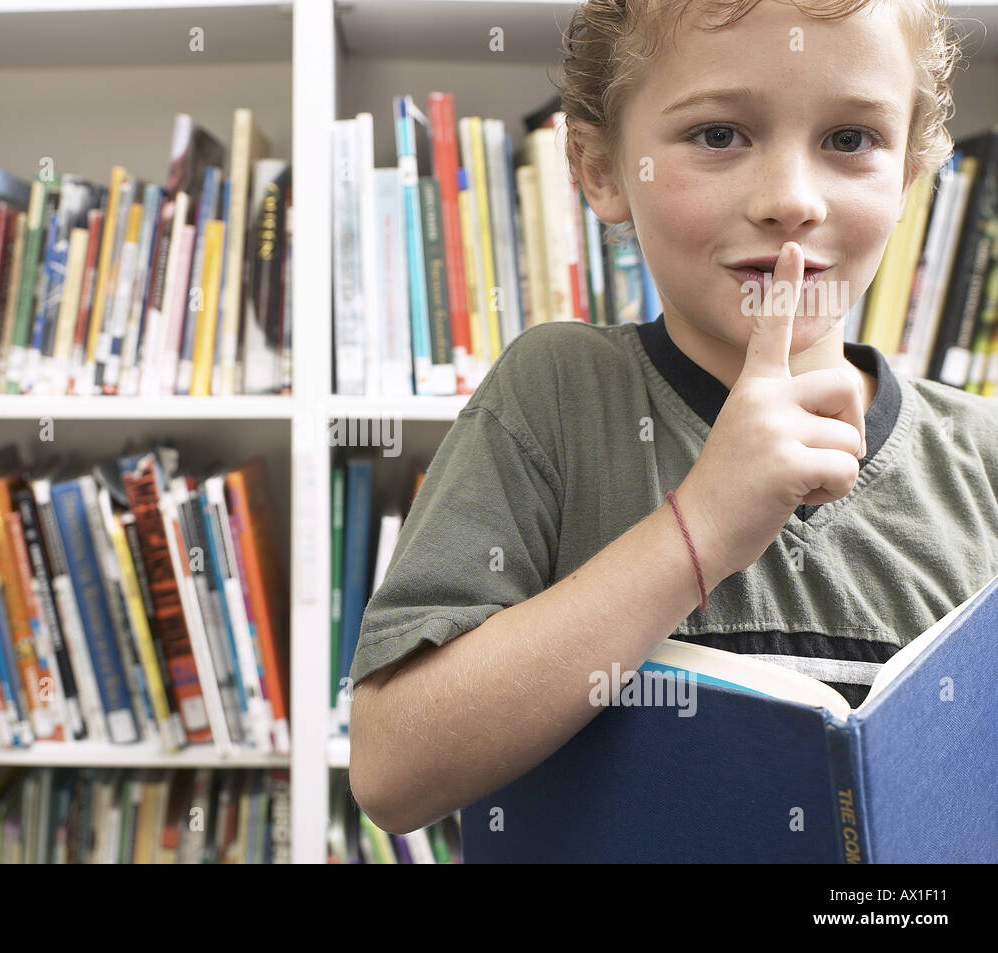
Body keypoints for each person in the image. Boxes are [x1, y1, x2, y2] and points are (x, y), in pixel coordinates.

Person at [347, 0, 998, 837]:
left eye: (849, 140)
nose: (790, 200)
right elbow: (394, 770)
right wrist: (700, 530)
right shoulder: (554, 397)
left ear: (909, 176)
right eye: (720, 135)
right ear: (600, 169)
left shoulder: (981, 456)